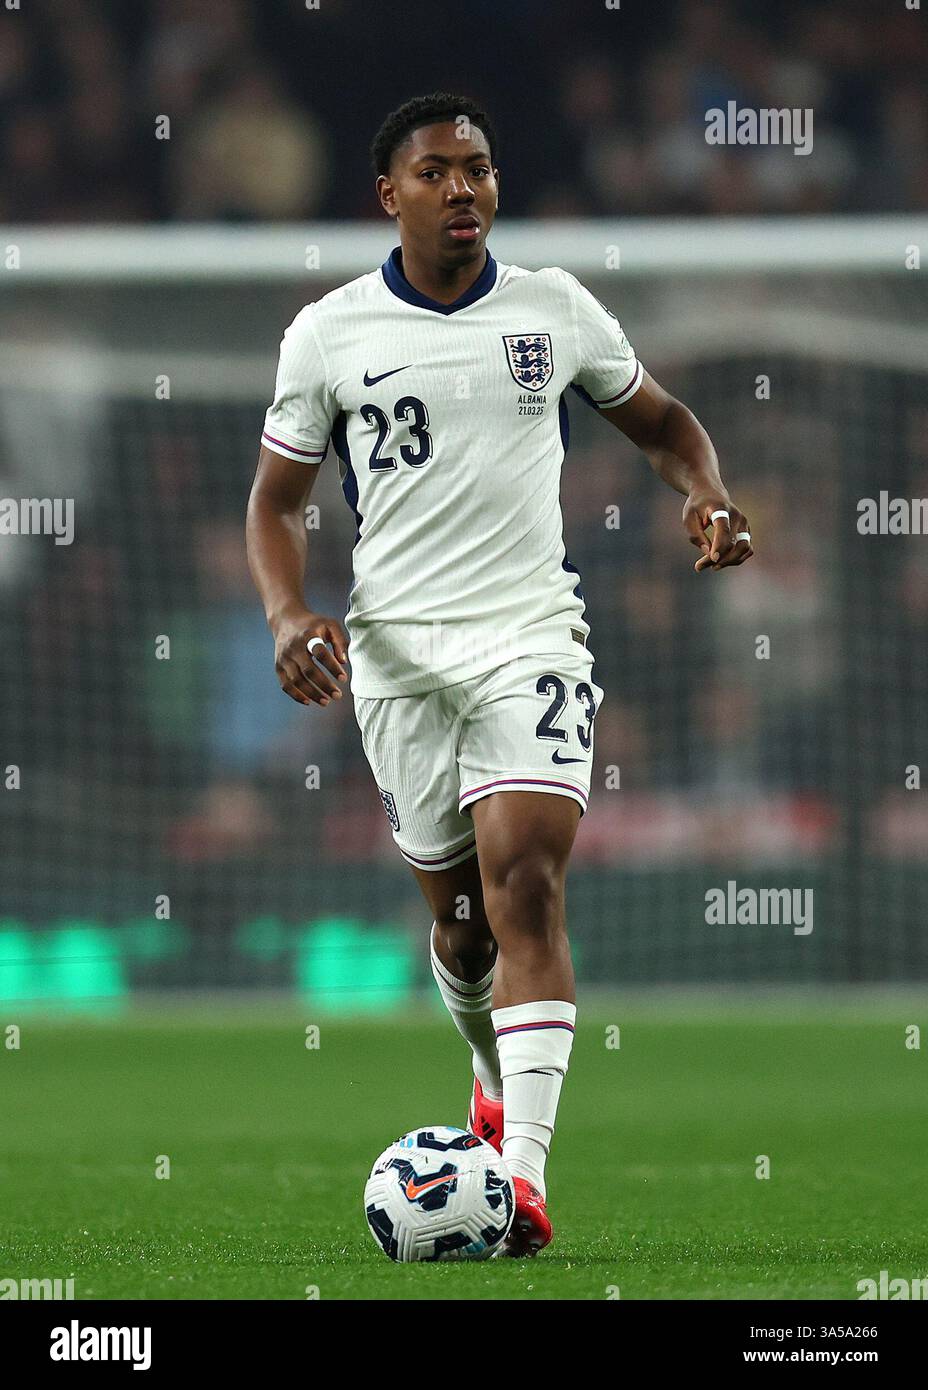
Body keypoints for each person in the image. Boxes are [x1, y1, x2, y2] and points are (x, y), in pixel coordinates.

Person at [246, 91, 753, 1257]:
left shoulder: (554, 310)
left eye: (477, 167)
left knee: (525, 880)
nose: (463, 187)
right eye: (436, 172)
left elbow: (668, 425)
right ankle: (484, 1068)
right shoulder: (329, 333)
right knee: (463, 930)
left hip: (529, 635)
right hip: (396, 661)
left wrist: (706, 492)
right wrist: (286, 612)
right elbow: (276, 504)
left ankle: (519, 1181)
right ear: (391, 194)